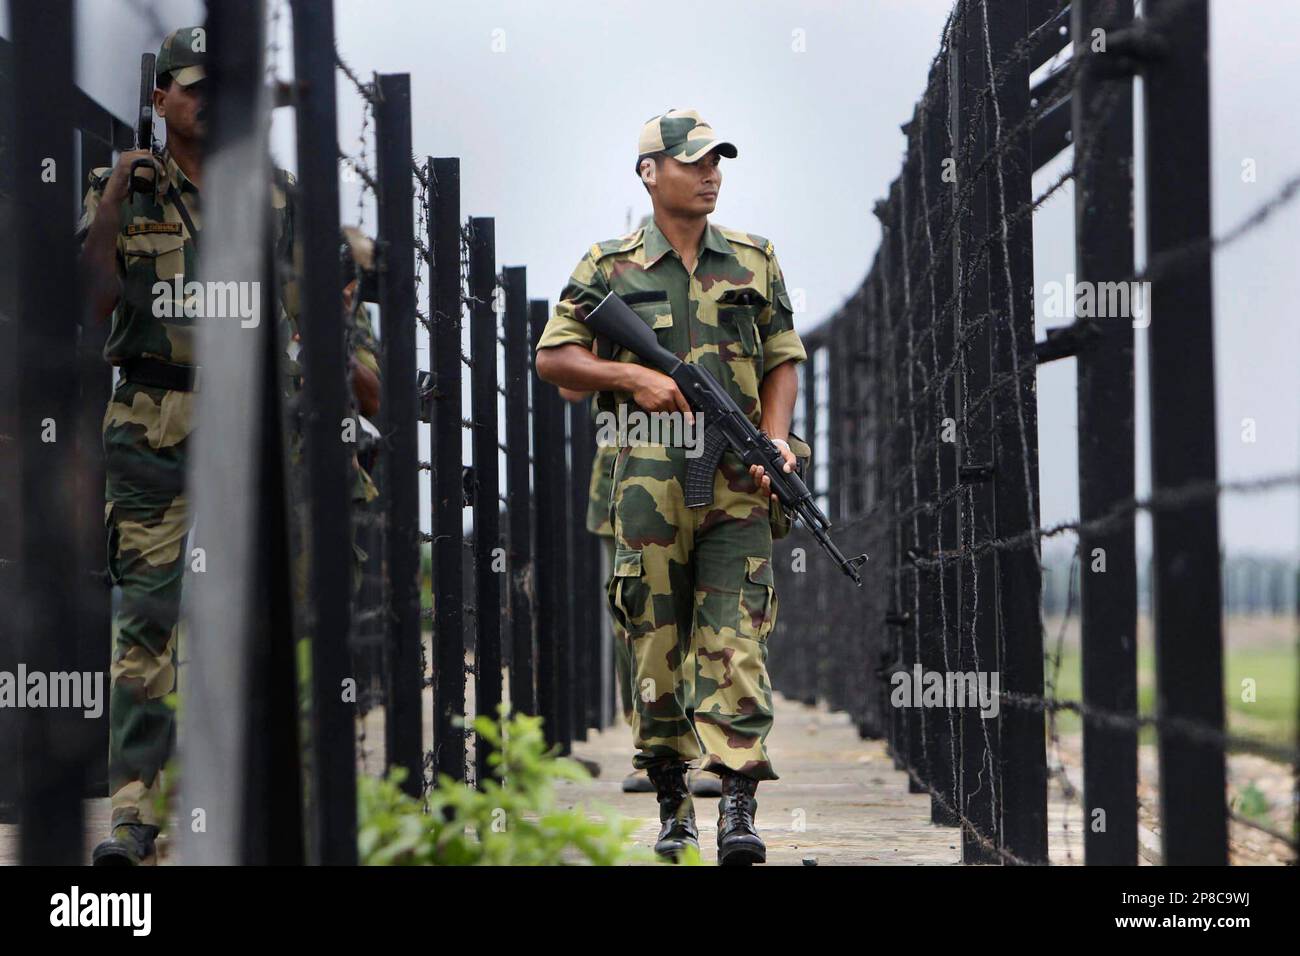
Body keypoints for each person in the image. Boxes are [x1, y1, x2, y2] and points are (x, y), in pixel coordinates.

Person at [535, 109, 806, 864]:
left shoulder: (755, 259)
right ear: (650, 173)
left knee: (737, 639)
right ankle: (672, 803)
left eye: (717, 160)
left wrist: (777, 438)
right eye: (693, 163)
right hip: (648, 480)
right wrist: (630, 377)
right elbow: (555, 360)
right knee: (655, 646)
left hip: (741, 480)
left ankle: (739, 808)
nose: (711, 173)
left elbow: (784, 354)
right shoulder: (607, 264)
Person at [79, 27, 222, 866]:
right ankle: (135, 819)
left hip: (242, 421)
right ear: (162, 97)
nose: (210, 101)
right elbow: (92, 301)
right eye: (194, 86)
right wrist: (110, 202)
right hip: (150, 413)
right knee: (145, 618)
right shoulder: (122, 188)